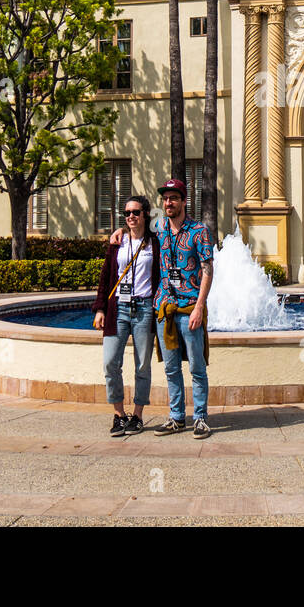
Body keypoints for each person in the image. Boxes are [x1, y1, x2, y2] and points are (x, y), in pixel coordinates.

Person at [112, 178, 212, 438]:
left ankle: (200, 417)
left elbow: (207, 270)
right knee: (170, 367)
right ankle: (177, 417)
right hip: (164, 310)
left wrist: (200, 306)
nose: (169, 202)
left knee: (197, 367)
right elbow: (136, 231)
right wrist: (121, 231)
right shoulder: (158, 229)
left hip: (190, 308)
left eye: (174, 198)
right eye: (166, 198)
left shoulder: (199, 230)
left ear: (183, 201)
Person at [91, 194, 160, 437]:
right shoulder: (117, 243)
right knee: (111, 362)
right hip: (118, 309)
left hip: (144, 309)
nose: (130, 216)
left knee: (142, 365)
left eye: (135, 212)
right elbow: (106, 277)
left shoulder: (156, 243)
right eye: (127, 213)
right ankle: (119, 414)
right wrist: (100, 308)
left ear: (146, 215)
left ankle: (138, 415)